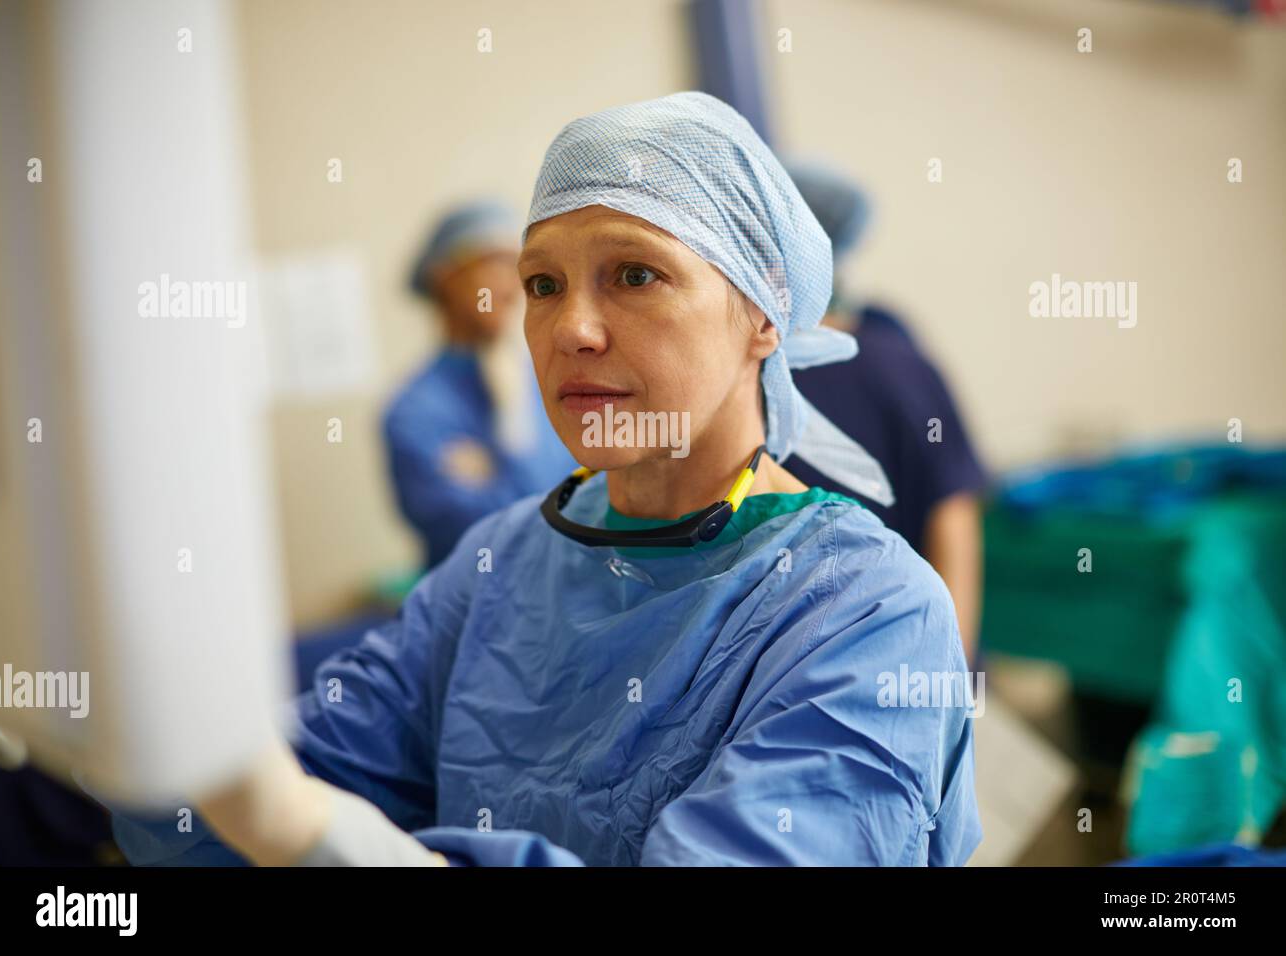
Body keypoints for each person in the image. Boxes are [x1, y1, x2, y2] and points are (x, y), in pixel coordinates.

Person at [103, 92, 981, 867]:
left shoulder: (866, 610)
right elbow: (242, 803)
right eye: (543, 284)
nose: (573, 330)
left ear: (763, 309)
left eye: (635, 275)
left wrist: (328, 840)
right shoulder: (501, 562)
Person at [784, 163, 987, 664]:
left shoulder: (890, 362)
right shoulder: (752, 369)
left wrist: (948, 664)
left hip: (894, 652)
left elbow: (952, 514)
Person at [384, 200, 576, 567]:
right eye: (492, 263)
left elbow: (590, 504)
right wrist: (513, 421)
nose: (510, 283)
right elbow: (499, 534)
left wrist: (496, 467)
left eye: (517, 265)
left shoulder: (551, 381)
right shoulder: (414, 410)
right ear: (444, 278)